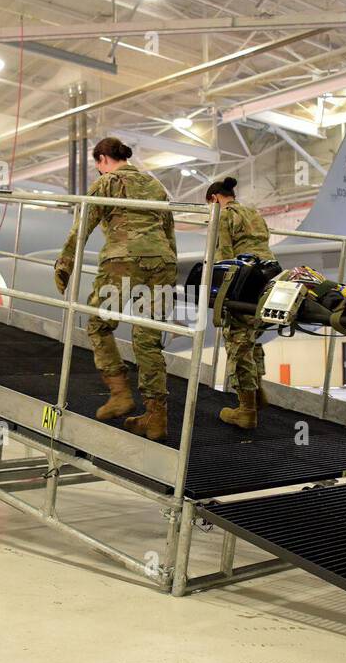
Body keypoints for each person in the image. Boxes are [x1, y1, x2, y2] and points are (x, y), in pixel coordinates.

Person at [54, 137, 178, 441]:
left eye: (98, 164)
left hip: (124, 261)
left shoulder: (107, 182)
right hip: (163, 262)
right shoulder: (155, 185)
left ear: (102, 160)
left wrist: (65, 263)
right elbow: (169, 230)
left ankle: (120, 394)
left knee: (99, 325)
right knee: (148, 338)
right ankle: (155, 417)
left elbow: (82, 225)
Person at [205, 176, 273, 428]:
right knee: (252, 338)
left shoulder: (222, 216)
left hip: (244, 280)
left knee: (237, 343)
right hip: (267, 278)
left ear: (214, 199)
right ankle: (258, 393)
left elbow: (225, 259)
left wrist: (220, 297)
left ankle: (246, 411)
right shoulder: (255, 214)